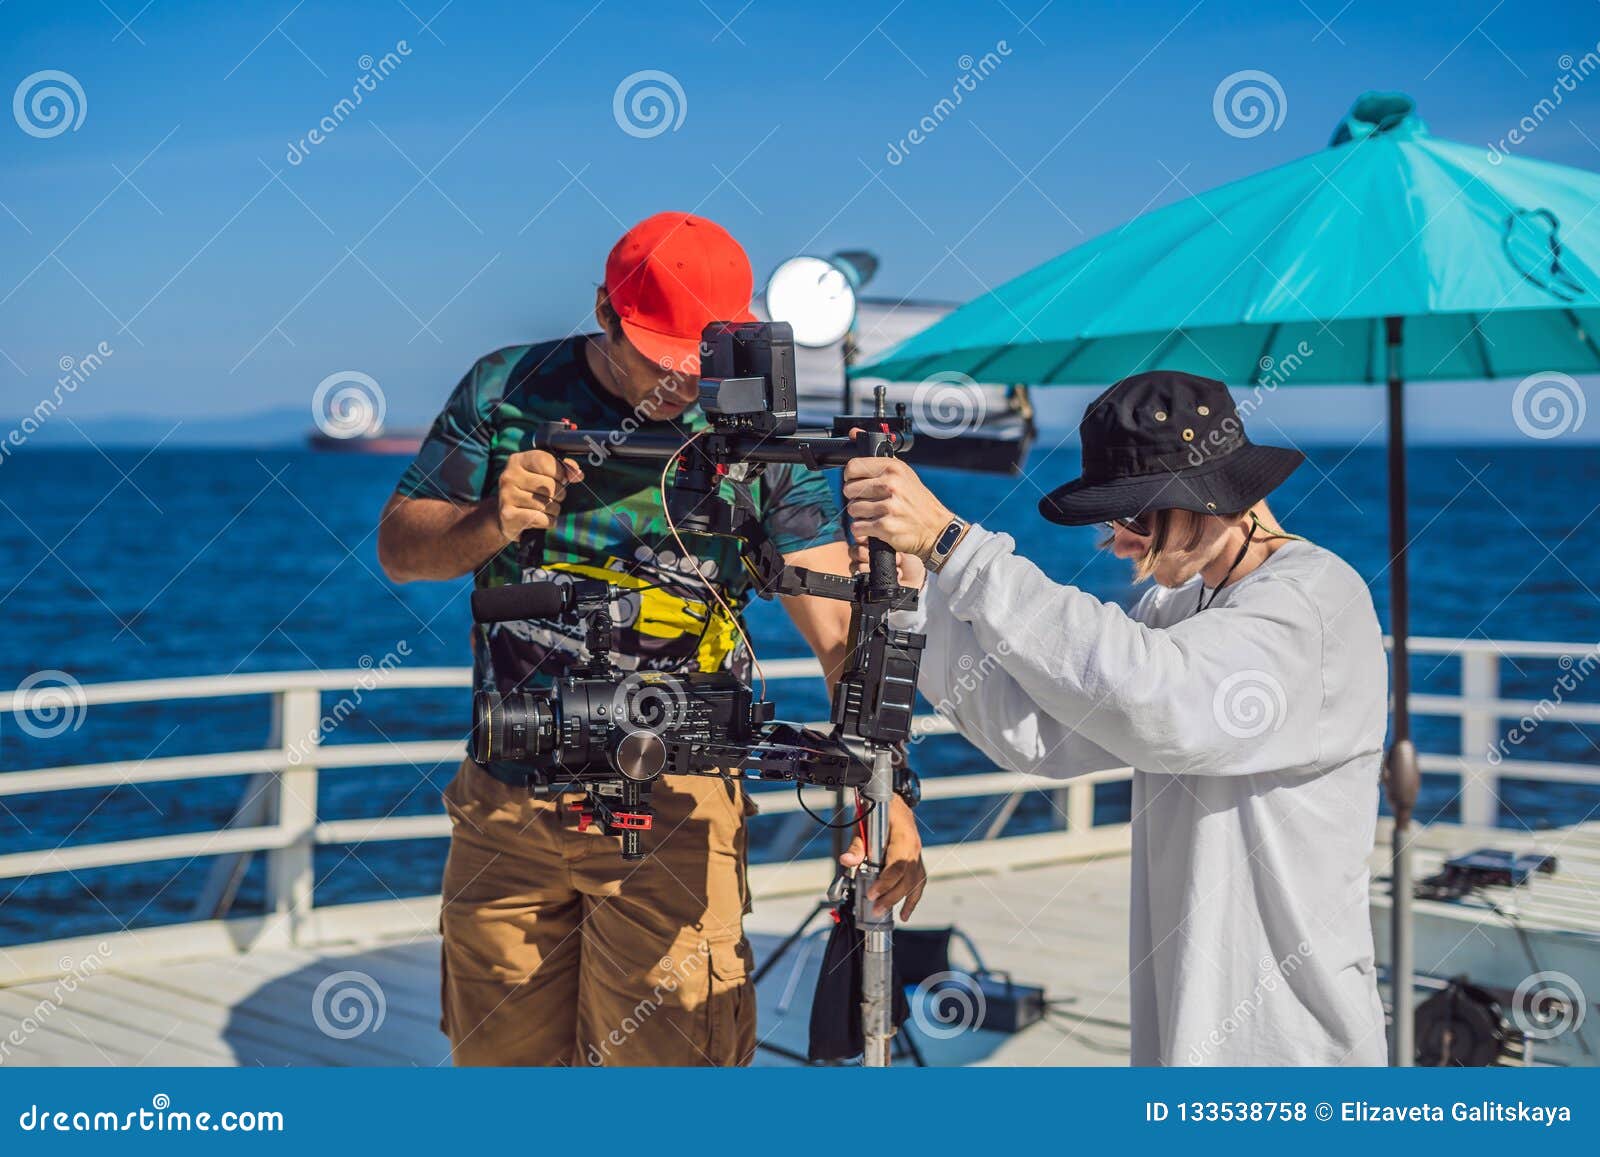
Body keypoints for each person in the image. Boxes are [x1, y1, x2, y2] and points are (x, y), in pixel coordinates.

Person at [378, 212, 926, 1067]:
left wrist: (889, 795)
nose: (680, 381)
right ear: (605, 310)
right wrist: (491, 519)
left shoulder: (757, 431)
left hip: (676, 807)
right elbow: (399, 548)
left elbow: (839, 635)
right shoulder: (507, 390)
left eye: (697, 356)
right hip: (508, 801)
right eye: (659, 354)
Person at [841, 370, 1388, 1066]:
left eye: (1133, 517)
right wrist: (922, 594)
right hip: (1183, 1035)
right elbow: (1039, 734)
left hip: (1292, 1048)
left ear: (1205, 494)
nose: (1120, 542)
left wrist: (954, 545)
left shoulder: (1313, 603)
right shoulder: (1181, 606)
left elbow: (1156, 698)